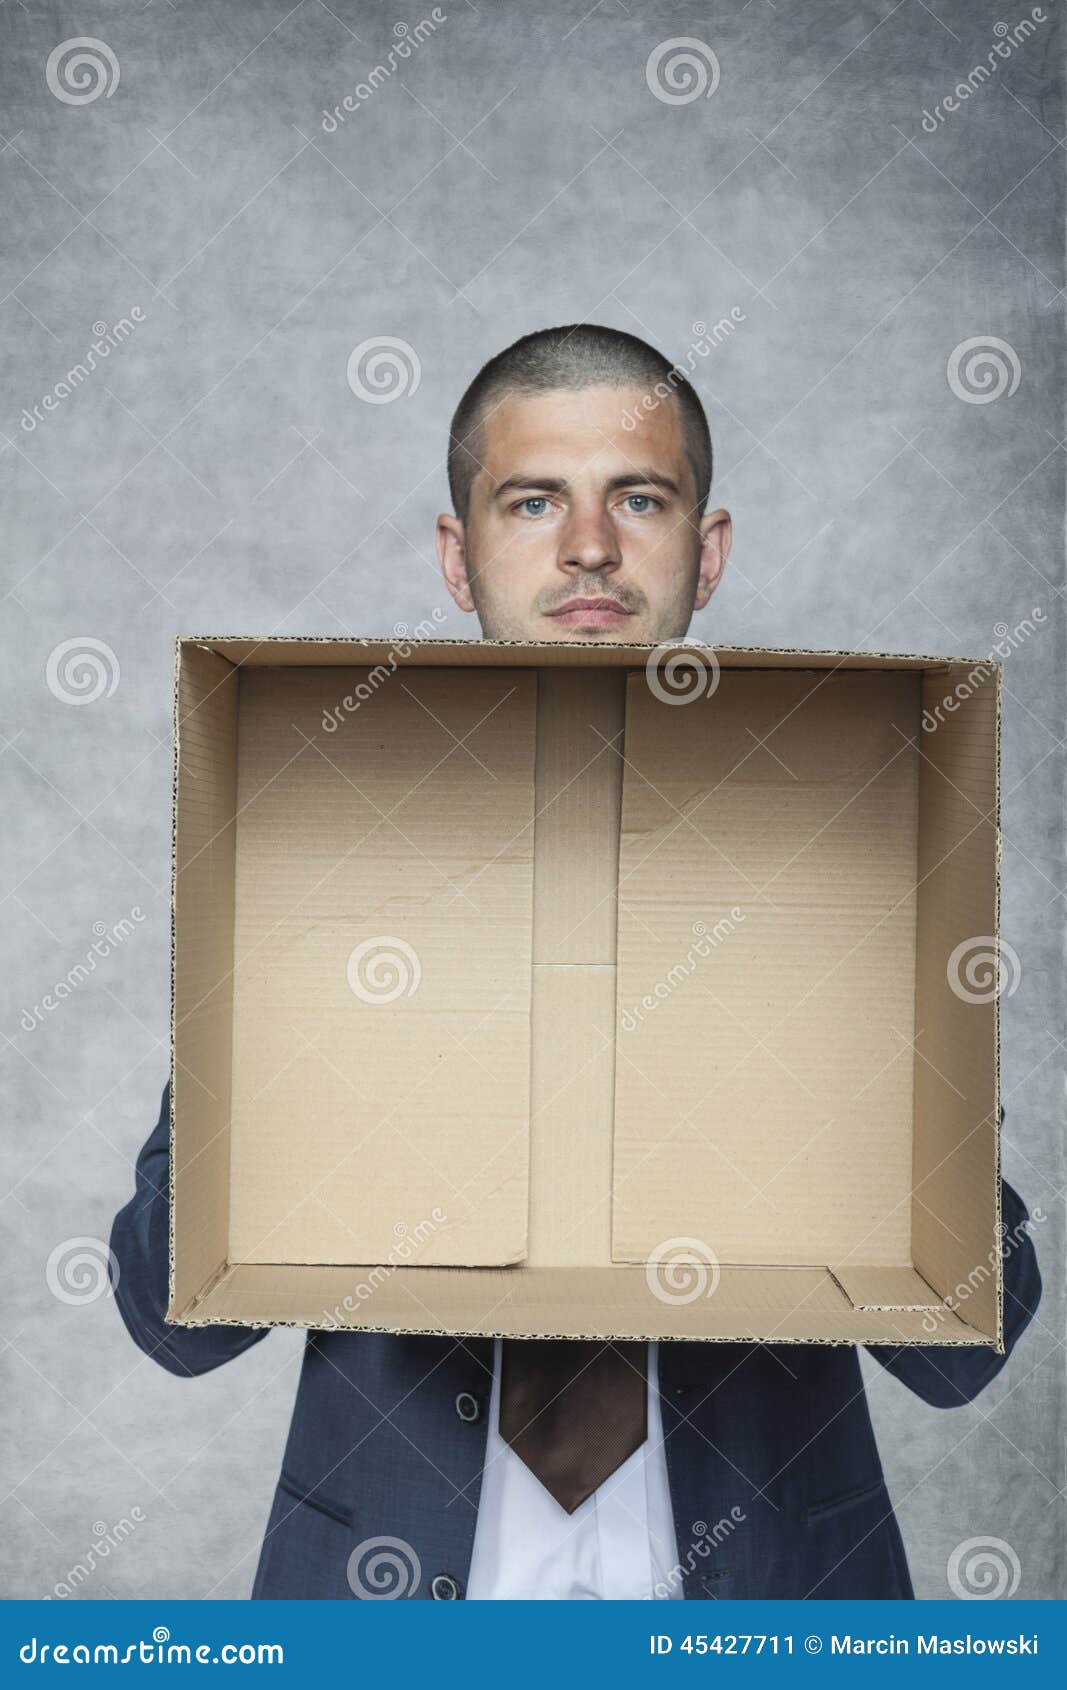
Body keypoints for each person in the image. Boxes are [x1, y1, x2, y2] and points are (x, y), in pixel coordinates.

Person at [110, 325, 1041, 1601]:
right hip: (391, 1608)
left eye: (638, 499)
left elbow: (962, 1359)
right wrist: (280, 1001)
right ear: (458, 554)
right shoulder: (324, 851)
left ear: (704, 553)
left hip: (765, 1605)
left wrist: (883, 1028)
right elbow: (168, 1326)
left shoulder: (840, 859)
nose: (588, 546)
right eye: (533, 498)